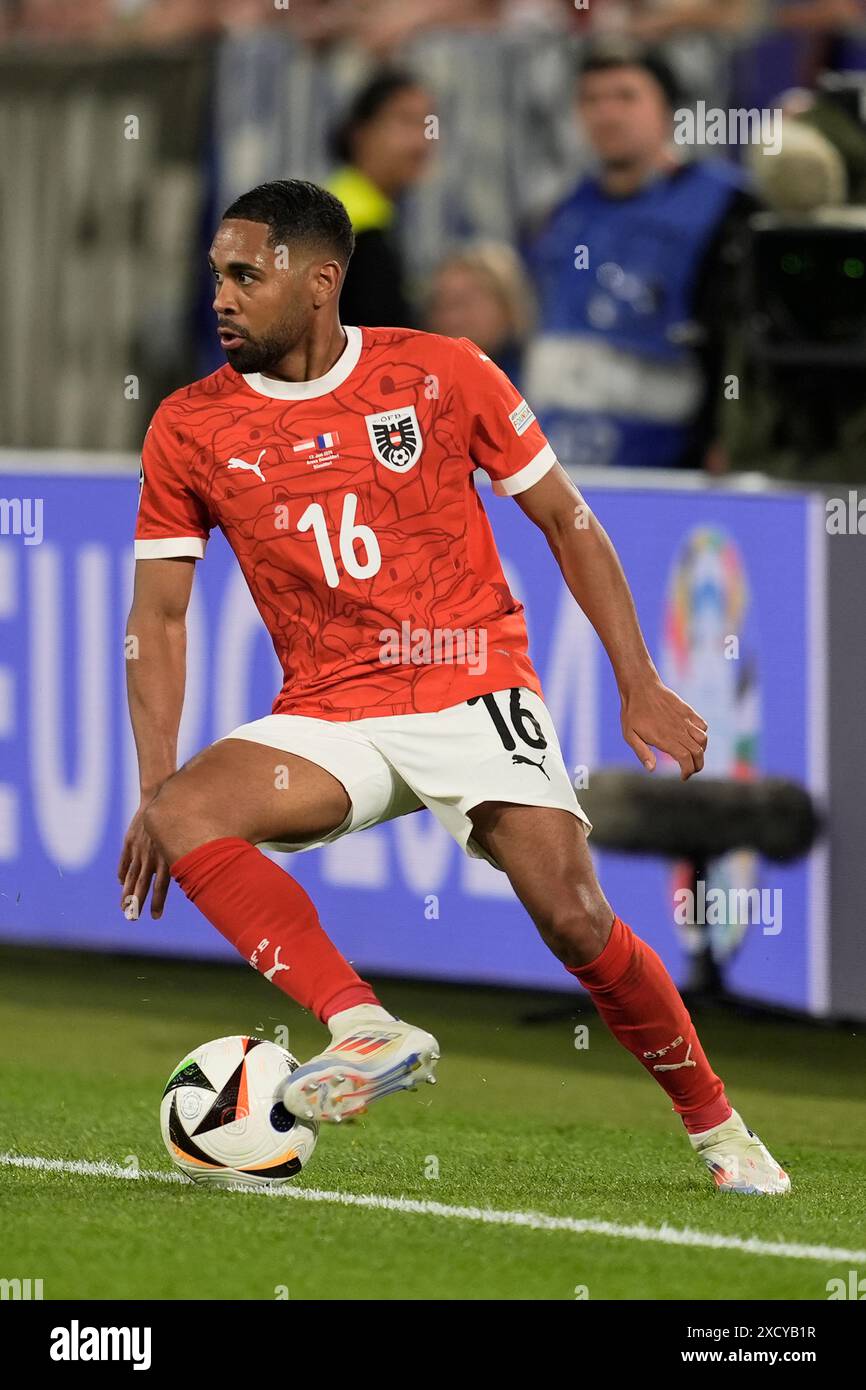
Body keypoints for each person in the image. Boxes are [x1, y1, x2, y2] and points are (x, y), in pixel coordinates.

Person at [120, 178, 788, 1195]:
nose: (220, 294)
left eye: (244, 274)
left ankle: (720, 1129)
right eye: (216, 273)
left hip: (469, 680)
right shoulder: (189, 425)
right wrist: (155, 791)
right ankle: (363, 1025)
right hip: (332, 709)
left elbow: (565, 518)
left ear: (318, 283)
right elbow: (157, 619)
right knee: (187, 810)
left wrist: (637, 680)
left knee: (570, 915)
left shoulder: (437, 374)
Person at [525, 39, 758, 470]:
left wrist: (727, 437)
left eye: (625, 96)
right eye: (591, 99)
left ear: (667, 109)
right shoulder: (563, 213)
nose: (606, 113)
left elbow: (740, 337)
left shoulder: (726, 207)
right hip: (560, 463)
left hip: (674, 466)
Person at [327, 70, 433, 328]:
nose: (422, 143)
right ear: (360, 133)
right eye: (405, 122)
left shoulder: (381, 216)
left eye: (428, 125)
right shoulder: (351, 227)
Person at [424, 240, 536, 386]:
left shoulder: (542, 383)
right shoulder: (422, 390)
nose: (452, 320)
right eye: (441, 306)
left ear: (507, 307)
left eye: (465, 303)